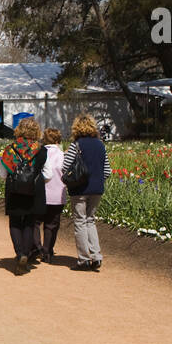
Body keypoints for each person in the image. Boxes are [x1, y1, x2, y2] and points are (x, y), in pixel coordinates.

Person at [60, 114, 112, 271]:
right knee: (91, 220)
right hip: (97, 189)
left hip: (79, 189)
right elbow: (107, 170)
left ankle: (83, 259)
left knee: (80, 222)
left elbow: (65, 167)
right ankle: (96, 255)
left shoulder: (76, 145)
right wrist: (97, 179)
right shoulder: (100, 145)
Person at [0, 119, 46, 273]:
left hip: (14, 190)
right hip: (33, 191)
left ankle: (19, 253)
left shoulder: (11, 149)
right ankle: (26, 254)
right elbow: (49, 174)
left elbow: (2, 174)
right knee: (29, 223)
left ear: (19, 129)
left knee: (15, 222)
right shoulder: (41, 150)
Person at [37, 128, 66, 263]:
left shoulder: (40, 153)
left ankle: (37, 248)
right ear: (57, 140)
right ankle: (47, 250)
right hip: (57, 194)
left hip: (41, 193)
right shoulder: (62, 155)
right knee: (52, 224)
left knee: (36, 222)